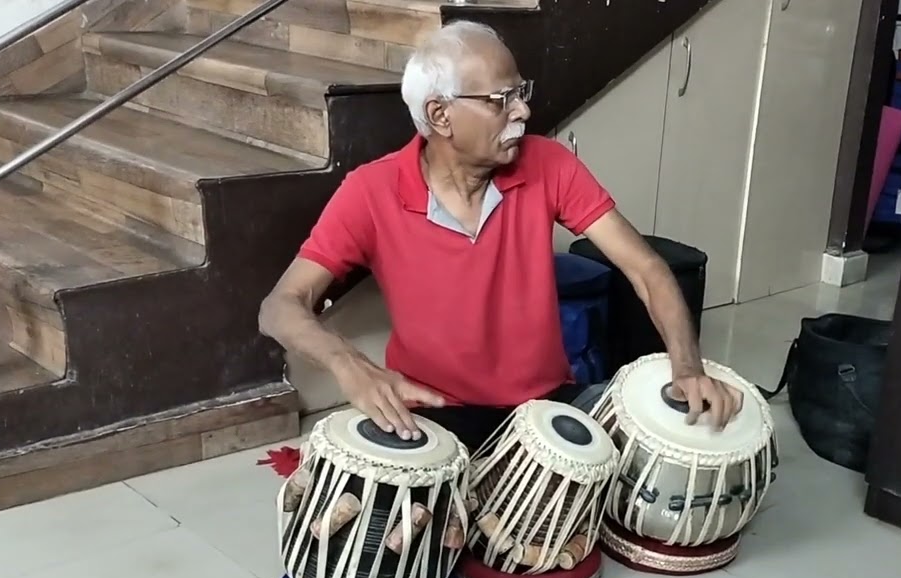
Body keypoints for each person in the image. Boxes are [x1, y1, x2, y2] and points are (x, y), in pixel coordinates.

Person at [258, 20, 743, 452]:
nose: (523, 112)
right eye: (501, 100)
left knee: (682, 439)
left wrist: (687, 368)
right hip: (434, 412)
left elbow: (646, 267)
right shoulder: (372, 190)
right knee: (397, 527)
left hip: (547, 406)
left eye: (520, 92)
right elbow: (280, 306)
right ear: (441, 115)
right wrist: (348, 363)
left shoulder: (550, 164)